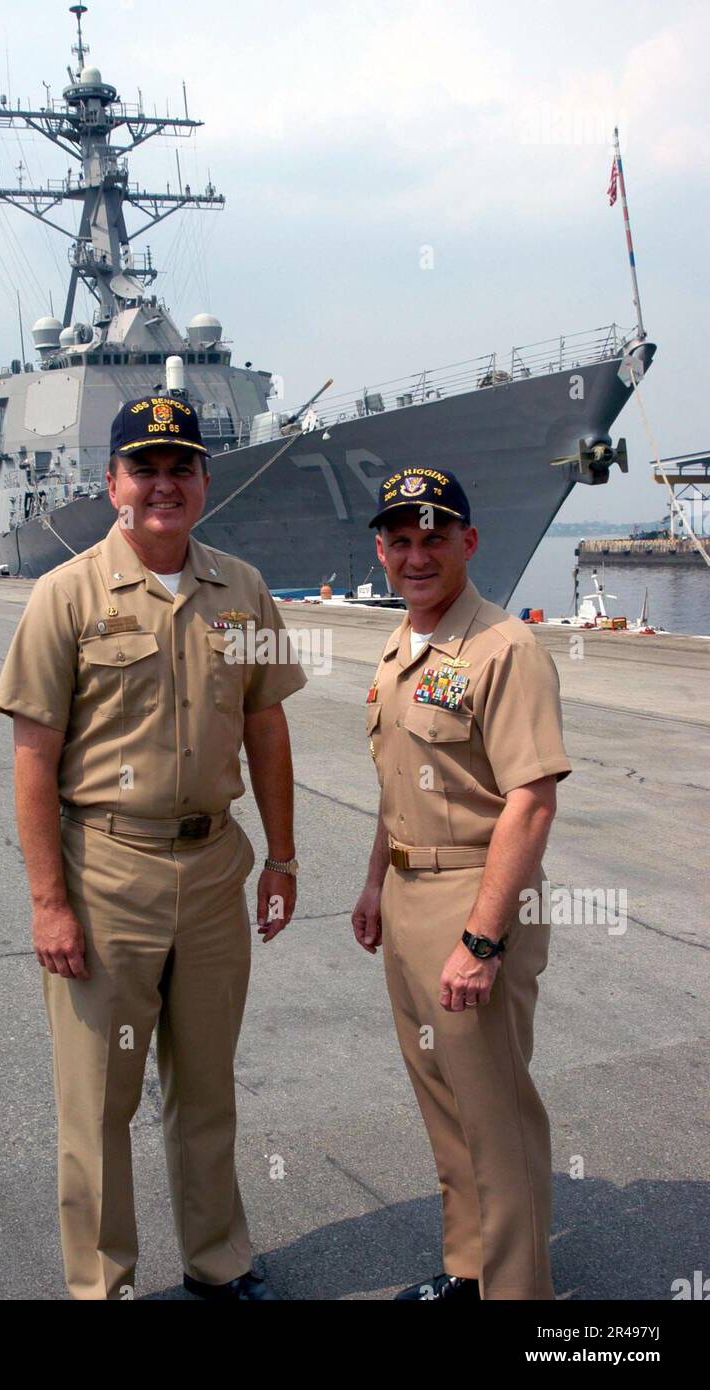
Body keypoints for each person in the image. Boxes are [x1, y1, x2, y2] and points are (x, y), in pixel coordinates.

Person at [0, 394, 306, 1300]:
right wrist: (50, 901)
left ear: (205, 480)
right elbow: (33, 755)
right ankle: (102, 1284)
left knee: (207, 1089)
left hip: (214, 872)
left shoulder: (241, 589)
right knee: (98, 1104)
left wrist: (281, 858)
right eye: (145, 467)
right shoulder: (66, 595)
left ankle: (219, 1263)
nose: (163, 484)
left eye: (181, 467)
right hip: (106, 875)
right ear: (112, 483)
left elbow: (266, 727)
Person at [351, 466, 571, 1301]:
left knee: (497, 1117)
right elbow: (400, 784)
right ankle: (469, 1271)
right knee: (446, 1107)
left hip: (478, 898)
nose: (416, 555)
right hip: (408, 897)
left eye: (434, 536)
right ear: (380, 549)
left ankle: (520, 1299)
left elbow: (532, 802)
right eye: (399, 539)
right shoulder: (402, 641)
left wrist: (481, 942)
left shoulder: (503, 647)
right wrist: (375, 883)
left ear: (468, 543)